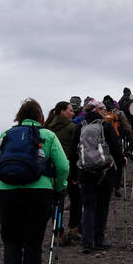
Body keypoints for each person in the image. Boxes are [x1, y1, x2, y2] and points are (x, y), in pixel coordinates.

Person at [0, 98, 70, 264]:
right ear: (40, 118)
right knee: (33, 244)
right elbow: (63, 166)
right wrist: (59, 187)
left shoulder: (7, 135)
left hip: (7, 192)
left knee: (11, 239)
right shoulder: (48, 135)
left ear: (19, 117)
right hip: (39, 192)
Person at [75, 102, 124, 254]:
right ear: (97, 110)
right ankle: (98, 240)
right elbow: (115, 149)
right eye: (103, 109)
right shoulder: (106, 126)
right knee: (102, 205)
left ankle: (86, 242)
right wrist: (121, 163)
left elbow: (72, 151)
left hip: (84, 171)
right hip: (105, 171)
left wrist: (73, 174)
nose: (105, 111)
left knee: (88, 206)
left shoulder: (80, 126)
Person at [44, 101, 82, 244]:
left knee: (56, 202)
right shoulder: (73, 127)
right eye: (70, 111)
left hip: (49, 170)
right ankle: (73, 228)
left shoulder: (47, 127)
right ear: (62, 112)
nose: (73, 113)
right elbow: (76, 151)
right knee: (76, 198)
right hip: (68, 168)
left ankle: (58, 232)